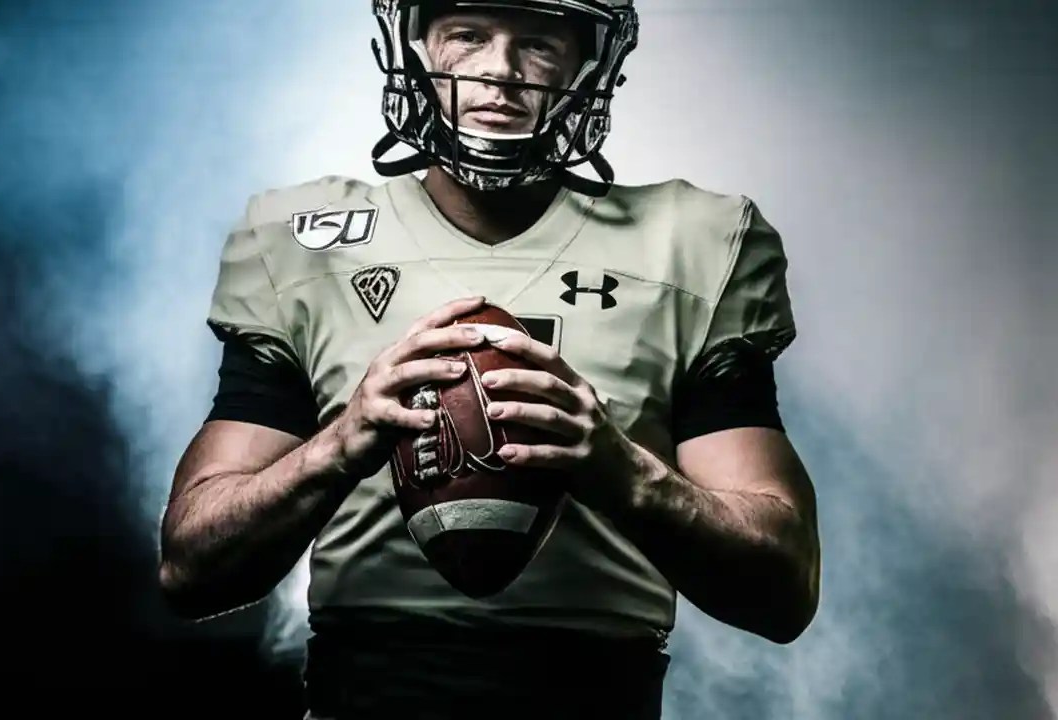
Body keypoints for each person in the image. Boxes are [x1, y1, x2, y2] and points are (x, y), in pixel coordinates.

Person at [159, 1, 821, 717]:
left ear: (589, 62)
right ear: (417, 45)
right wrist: (342, 444)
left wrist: (616, 469)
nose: (500, 73)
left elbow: (783, 591)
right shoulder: (303, 242)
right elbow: (191, 567)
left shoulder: (694, 243)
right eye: (469, 34)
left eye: (536, 43)